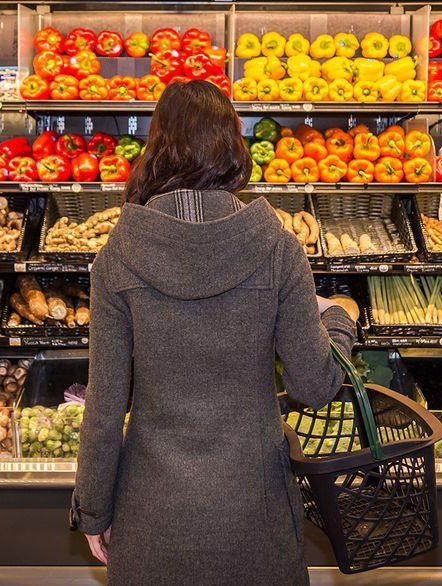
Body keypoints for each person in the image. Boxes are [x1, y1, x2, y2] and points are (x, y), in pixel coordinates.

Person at [71, 79, 357, 585]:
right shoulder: (278, 249)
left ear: (156, 147)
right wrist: (337, 319)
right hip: (256, 518)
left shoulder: (115, 257)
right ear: (233, 145)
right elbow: (316, 386)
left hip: (152, 520)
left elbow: (105, 404)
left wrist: (93, 510)